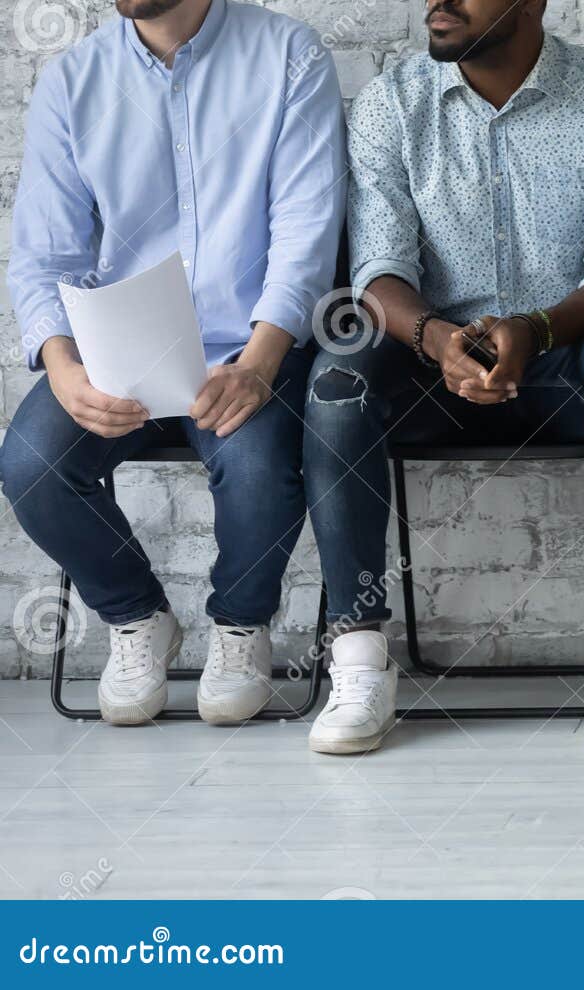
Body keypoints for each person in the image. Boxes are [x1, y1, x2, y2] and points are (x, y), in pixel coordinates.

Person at [301, 0, 584, 755]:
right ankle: (359, 659)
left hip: (566, 360)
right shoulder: (390, 104)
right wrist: (435, 337)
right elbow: (378, 269)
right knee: (337, 378)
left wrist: (534, 331)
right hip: (429, 369)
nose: (437, 4)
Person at [1, 0, 344, 726]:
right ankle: (137, 616)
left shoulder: (290, 55)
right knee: (31, 465)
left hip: (249, 343)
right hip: (118, 348)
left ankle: (240, 628)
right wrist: (63, 366)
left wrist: (259, 363)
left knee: (257, 469)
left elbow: (307, 228)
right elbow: (44, 254)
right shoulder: (74, 80)